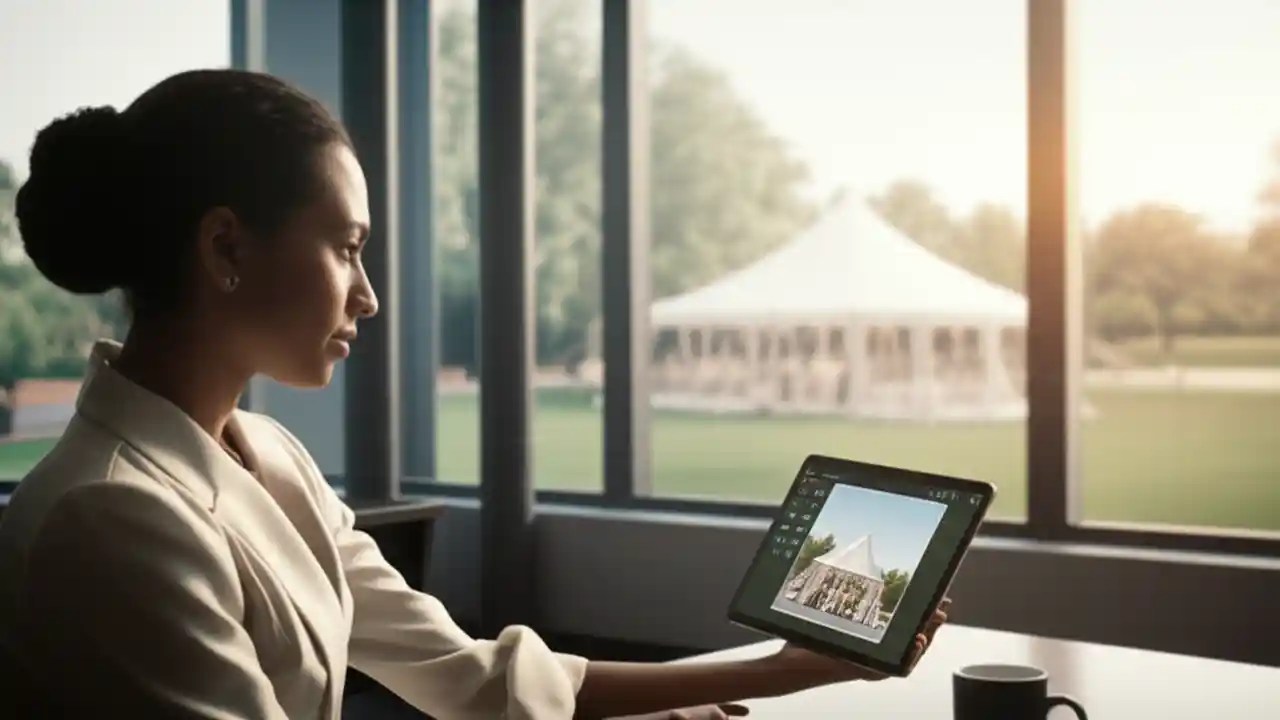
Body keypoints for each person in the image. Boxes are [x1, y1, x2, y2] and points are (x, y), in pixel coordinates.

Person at [0, 69, 948, 719]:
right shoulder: (112, 518)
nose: (367, 296)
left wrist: (782, 670)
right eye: (349, 248)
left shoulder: (269, 455)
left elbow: (469, 676)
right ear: (226, 249)